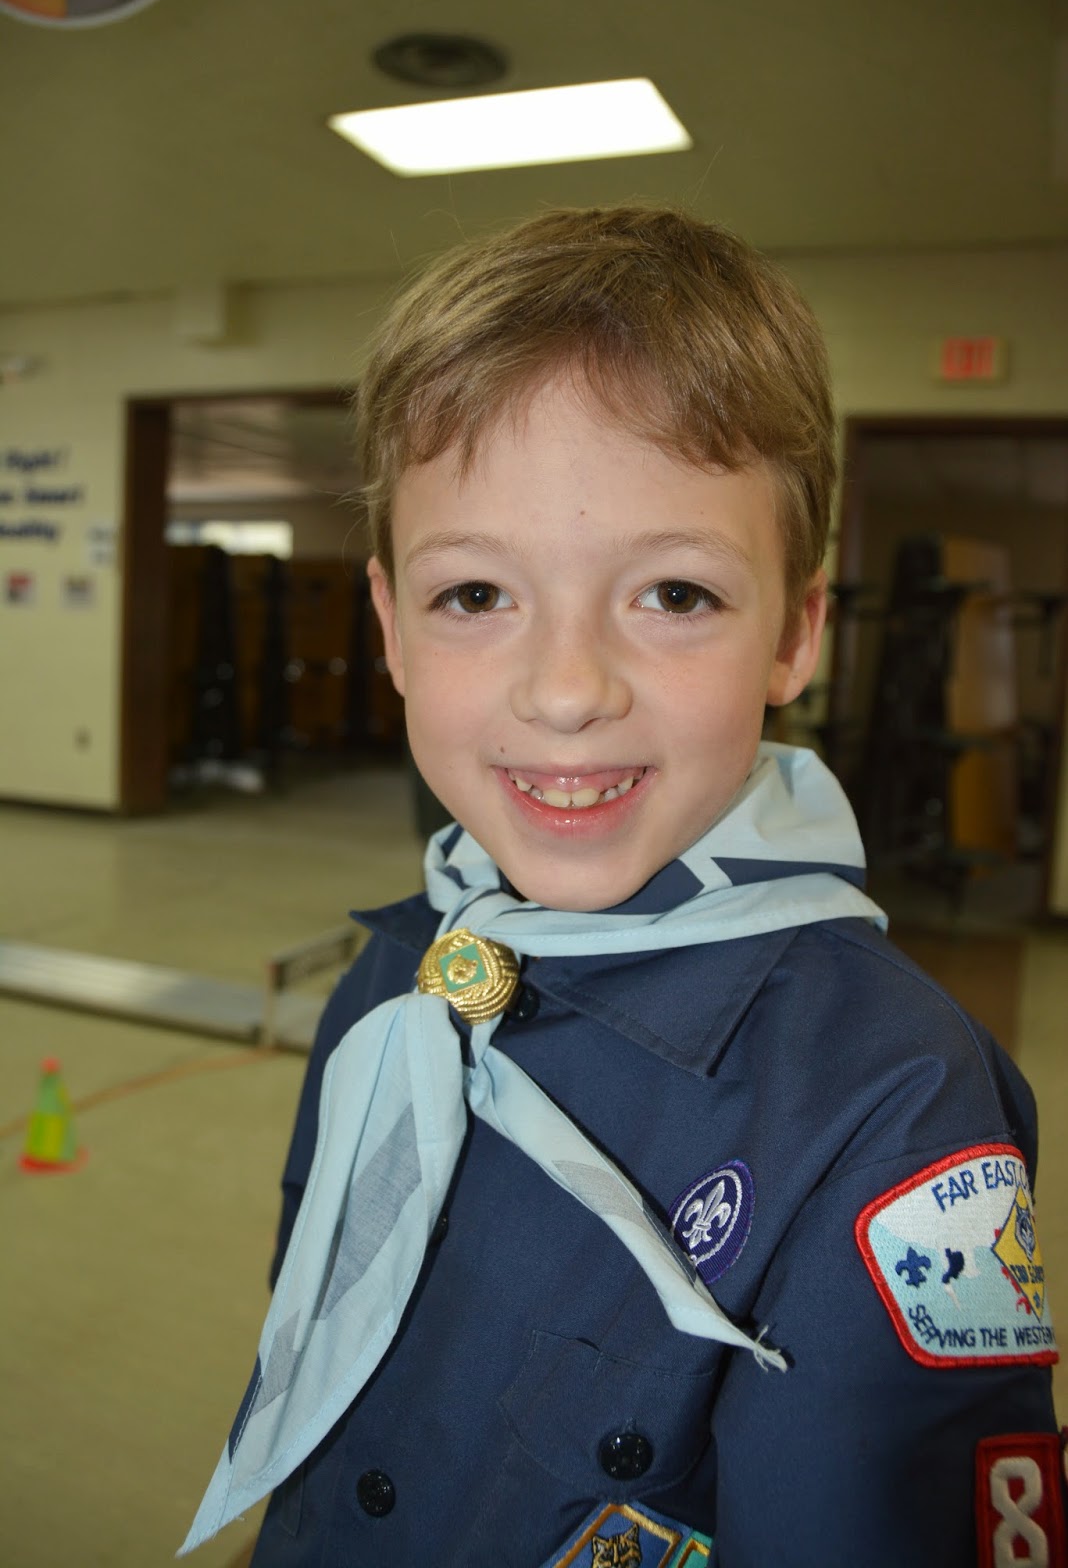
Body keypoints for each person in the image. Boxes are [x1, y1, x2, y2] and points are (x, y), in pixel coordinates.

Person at [183, 207, 1065, 1567]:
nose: (568, 689)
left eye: (674, 594)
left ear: (797, 632)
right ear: (389, 629)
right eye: (476, 595)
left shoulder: (895, 1108)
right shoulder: (408, 973)